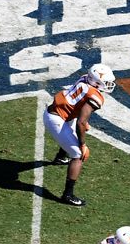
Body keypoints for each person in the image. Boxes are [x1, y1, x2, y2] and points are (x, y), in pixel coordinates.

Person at [43, 63, 116, 207]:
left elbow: (76, 106)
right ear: (97, 82)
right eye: (106, 82)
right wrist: (82, 144)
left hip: (55, 112)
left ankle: (60, 157)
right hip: (57, 119)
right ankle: (67, 195)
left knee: (71, 127)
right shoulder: (96, 96)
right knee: (78, 155)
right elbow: (81, 123)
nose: (109, 84)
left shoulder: (84, 78)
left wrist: (81, 123)